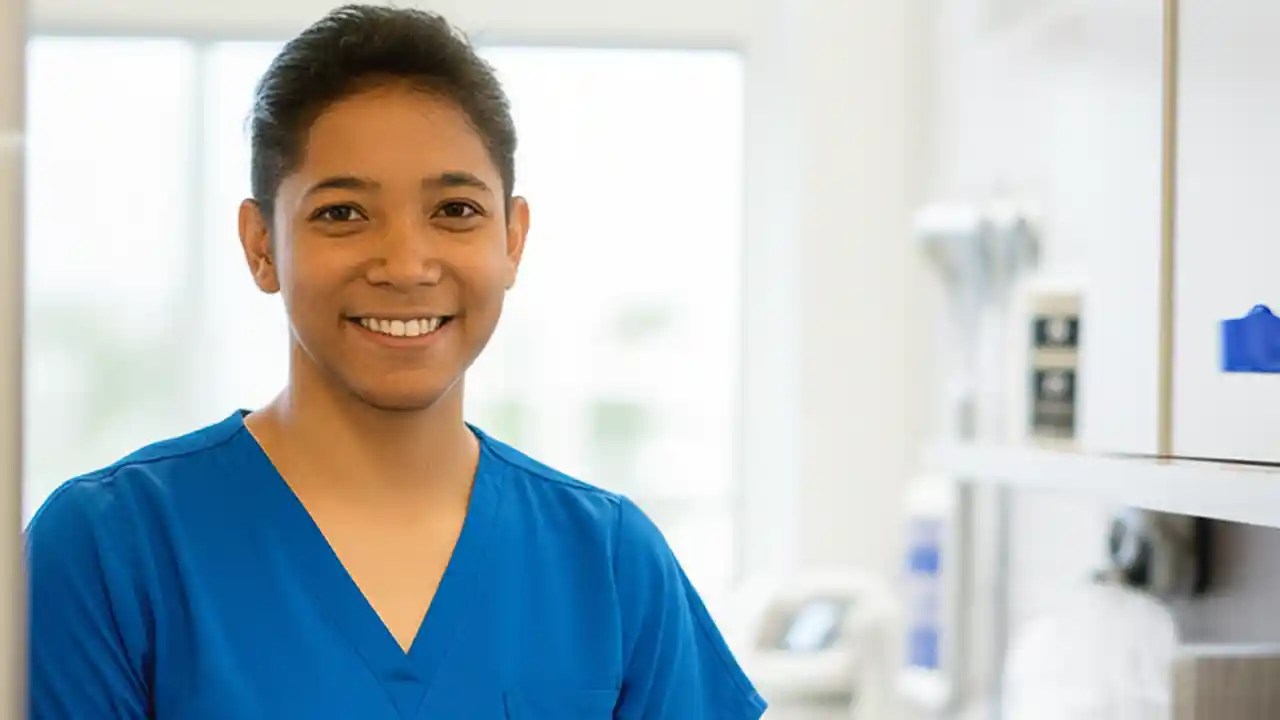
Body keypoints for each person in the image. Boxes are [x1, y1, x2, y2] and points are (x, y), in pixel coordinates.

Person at [24, 5, 766, 719]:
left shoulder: (607, 564)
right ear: (261, 245)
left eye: (455, 211)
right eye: (342, 213)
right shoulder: (109, 551)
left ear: (513, 239)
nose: (406, 264)